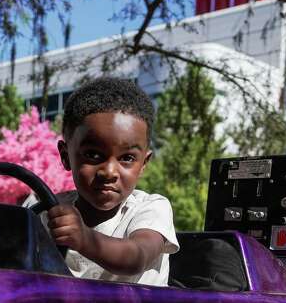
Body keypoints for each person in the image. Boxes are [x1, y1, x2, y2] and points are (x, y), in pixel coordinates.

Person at [29, 77, 178, 286]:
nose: (109, 172)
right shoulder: (43, 210)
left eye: (127, 158)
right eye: (93, 154)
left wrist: (84, 239)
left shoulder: (150, 209)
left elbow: (138, 256)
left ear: (144, 163)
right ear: (65, 156)